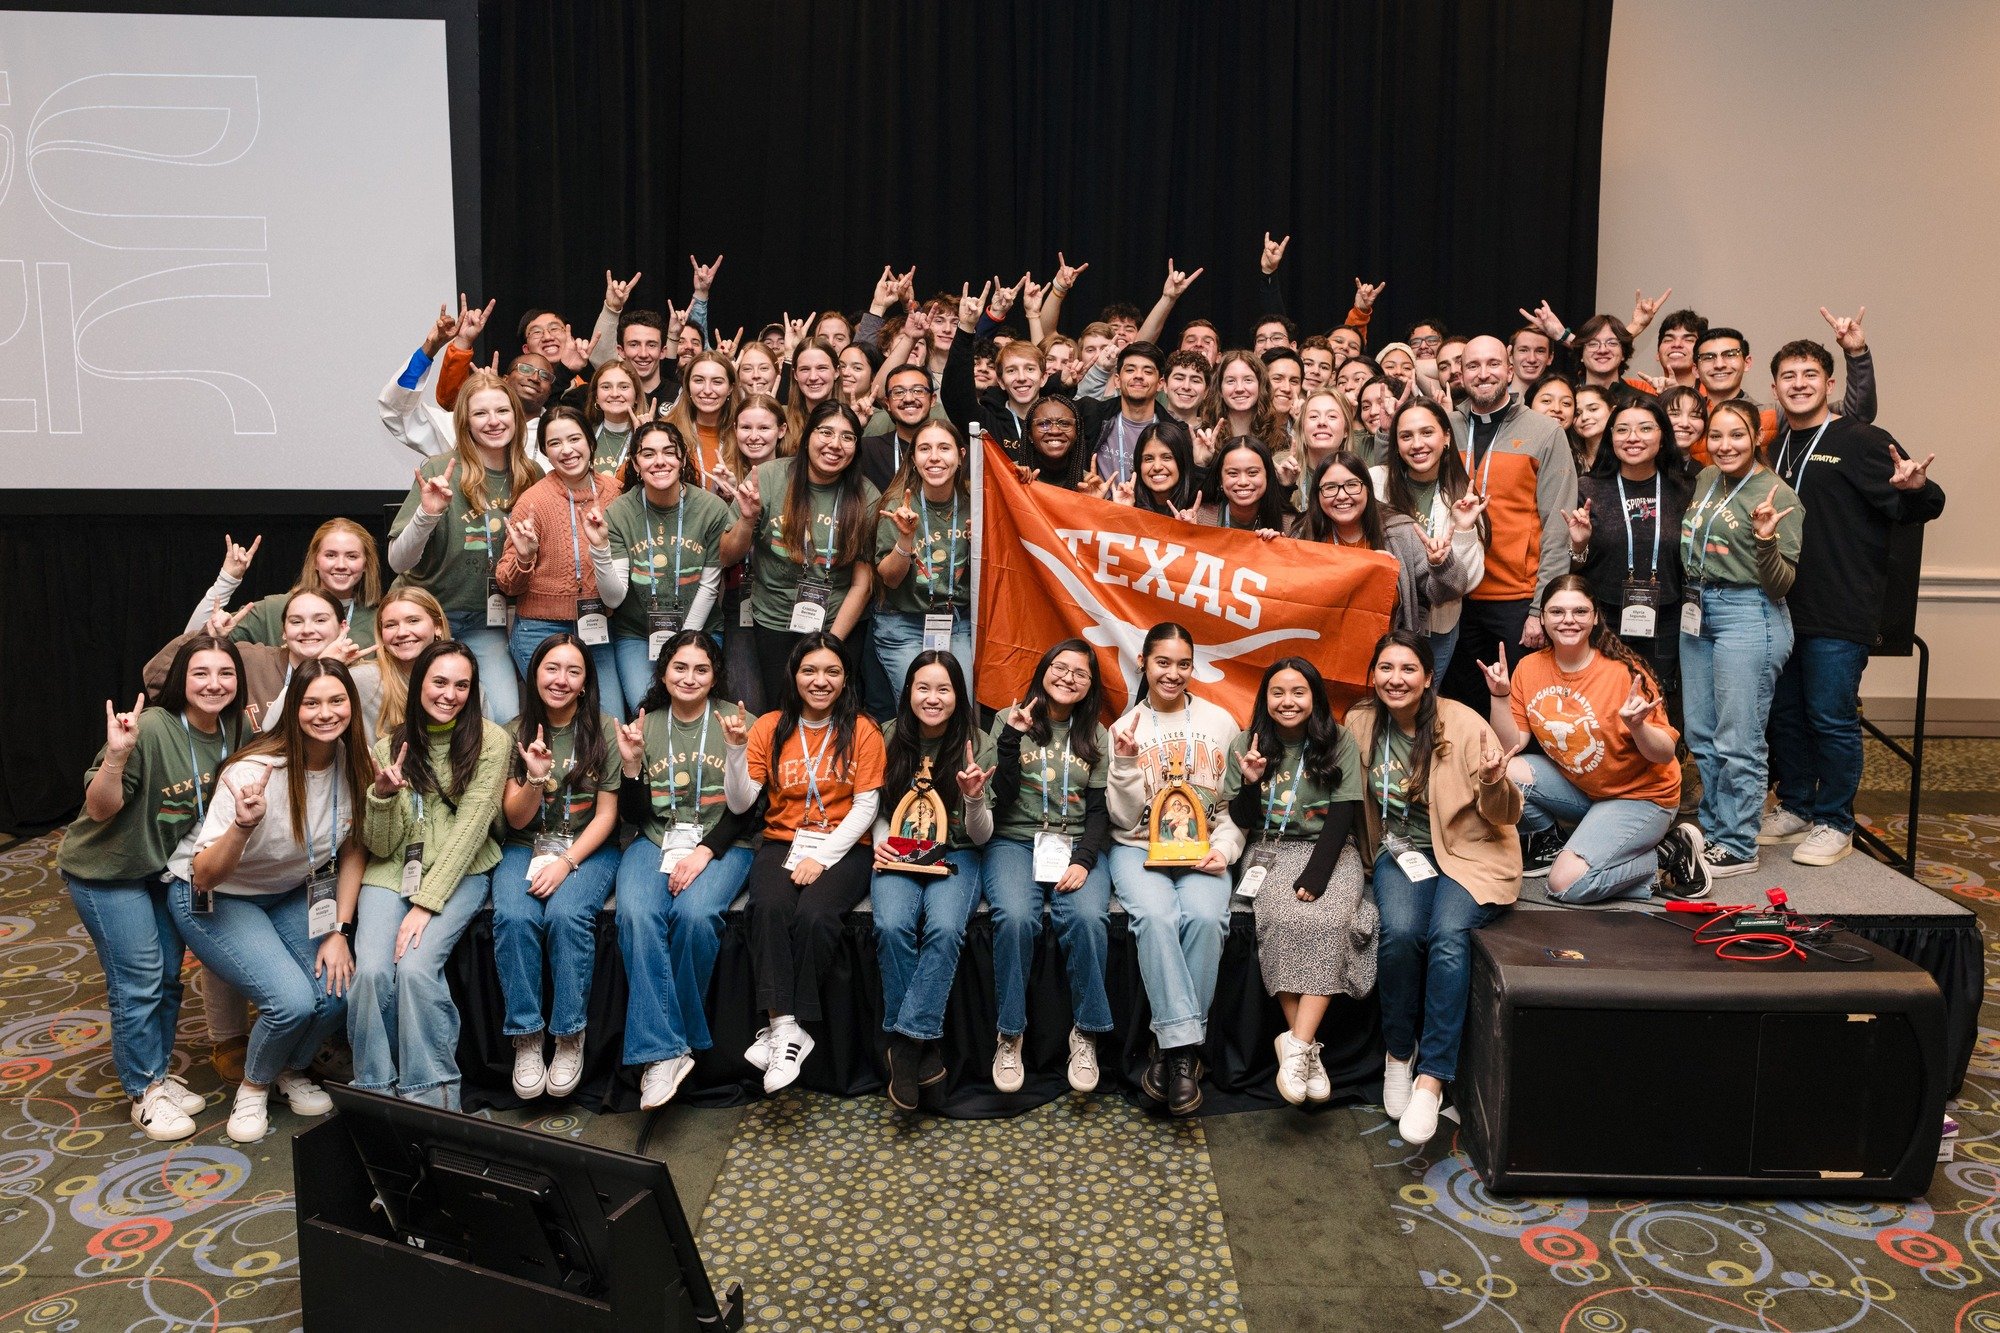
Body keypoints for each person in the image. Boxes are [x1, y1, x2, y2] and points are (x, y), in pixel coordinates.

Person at [59, 635, 251, 1140]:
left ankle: (158, 1074)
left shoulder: (236, 729)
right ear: (182, 679)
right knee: (139, 978)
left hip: (163, 871)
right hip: (106, 871)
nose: (214, 684)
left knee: (167, 977)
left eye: (226, 673)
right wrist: (116, 757)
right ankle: (144, 1091)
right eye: (201, 673)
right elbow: (99, 808)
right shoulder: (151, 727)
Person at [167, 657, 366, 1141]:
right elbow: (204, 874)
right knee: (291, 1002)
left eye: (337, 701)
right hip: (215, 895)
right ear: (293, 709)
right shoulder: (254, 771)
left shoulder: (353, 760)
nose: (326, 713)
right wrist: (243, 825)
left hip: (287, 891)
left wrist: (339, 931)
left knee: (338, 992)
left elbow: (354, 850)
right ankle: (254, 1086)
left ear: (352, 706)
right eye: (311, 703)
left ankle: (286, 1069)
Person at [1762, 339, 1943, 866]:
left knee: (1831, 717)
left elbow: (1926, 503)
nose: (1799, 383)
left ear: (1830, 383)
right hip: (1783, 607)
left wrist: (1915, 488)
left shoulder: (1861, 439)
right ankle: (1797, 805)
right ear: (1774, 387)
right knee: (1786, 716)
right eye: (1789, 376)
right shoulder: (1777, 446)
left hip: (1840, 608)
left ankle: (1836, 821)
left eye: (1809, 374)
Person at [1345, 631, 1520, 1147]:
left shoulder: (1463, 724)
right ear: (1373, 675)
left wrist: (1493, 781)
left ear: (1427, 678)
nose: (1395, 679)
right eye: (1386, 668)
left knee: (1447, 937)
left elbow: (1506, 815)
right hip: (1401, 852)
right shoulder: (1361, 723)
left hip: (1470, 852)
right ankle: (1399, 1053)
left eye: (1408, 669)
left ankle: (1433, 1077)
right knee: (1399, 933)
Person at [724, 634, 886, 1094]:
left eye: (832, 671)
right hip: (782, 840)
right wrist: (735, 751)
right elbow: (741, 803)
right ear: (793, 676)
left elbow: (866, 807)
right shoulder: (769, 726)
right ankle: (787, 1030)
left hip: (844, 846)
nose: (820, 680)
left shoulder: (863, 729)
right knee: (768, 908)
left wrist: (822, 856)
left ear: (846, 679)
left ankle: (782, 1030)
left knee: (815, 915)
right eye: (809, 670)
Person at [1479, 576, 1708, 901]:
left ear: (1596, 616)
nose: (1568, 620)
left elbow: (1664, 753)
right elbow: (1508, 748)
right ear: (1542, 618)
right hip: (1588, 789)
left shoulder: (1624, 673)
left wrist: (1639, 727)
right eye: (1557, 612)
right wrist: (1500, 696)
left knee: (1565, 884)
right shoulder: (1529, 668)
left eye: (1579, 611)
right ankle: (1549, 843)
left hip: (1642, 797)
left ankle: (1666, 856)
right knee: (1505, 772)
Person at [353, 641, 509, 1108]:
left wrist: (425, 904)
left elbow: (472, 829)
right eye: (439, 682)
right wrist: (382, 797)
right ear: (419, 682)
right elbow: (381, 846)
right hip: (391, 871)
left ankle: (432, 1097)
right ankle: (375, 1093)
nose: (449, 694)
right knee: (371, 974)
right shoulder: (388, 745)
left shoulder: (491, 741)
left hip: (461, 869)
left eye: (462, 685)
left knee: (416, 970)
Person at [612, 632, 758, 1108]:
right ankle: (668, 1051)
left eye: (701, 669)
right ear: (663, 672)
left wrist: (705, 852)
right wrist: (632, 766)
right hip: (655, 839)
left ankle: (668, 1048)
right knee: (637, 915)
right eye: (680, 667)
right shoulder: (644, 724)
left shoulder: (741, 722)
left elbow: (750, 812)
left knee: (695, 917)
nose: (689, 678)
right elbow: (634, 816)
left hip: (724, 842)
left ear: (715, 677)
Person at [1105, 623, 1244, 1117]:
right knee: (1157, 918)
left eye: (1183, 663)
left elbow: (1233, 809)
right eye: (1163, 662)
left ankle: (1168, 1053)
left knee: (1207, 919)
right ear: (1142, 662)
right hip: (1137, 848)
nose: (1173, 673)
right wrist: (1125, 763)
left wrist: (1226, 850)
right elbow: (1121, 819)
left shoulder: (1221, 722)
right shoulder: (1123, 728)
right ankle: (1185, 1052)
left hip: (1202, 849)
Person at [1225, 659, 1370, 1107]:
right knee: (1284, 919)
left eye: (1298, 692)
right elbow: (1241, 818)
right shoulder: (1246, 742)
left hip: (1330, 851)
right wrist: (1250, 783)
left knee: (1331, 921)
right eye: (1278, 693)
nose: (1287, 702)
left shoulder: (1339, 740)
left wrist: (1318, 873)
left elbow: (1344, 811)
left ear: (1315, 698)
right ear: (1265, 699)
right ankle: (1304, 1049)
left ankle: (1297, 1043)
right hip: (1268, 850)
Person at [1678, 399, 1803, 877]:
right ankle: (1714, 830)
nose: (1725, 445)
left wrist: (1766, 540)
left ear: (1757, 438)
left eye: (1736, 435)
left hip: (1750, 614)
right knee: (1701, 734)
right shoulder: (1708, 479)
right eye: (1716, 435)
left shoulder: (1778, 495)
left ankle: (1739, 842)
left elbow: (1781, 584)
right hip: (1700, 611)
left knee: (1738, 739)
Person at [493, 635, 621, 1102]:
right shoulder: (513, 732)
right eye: (551, 668)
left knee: (567, 916)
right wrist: (534, 777)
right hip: (525, 845)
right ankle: (527, 1035)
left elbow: (606, 816)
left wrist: (566, 863)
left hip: (588, 847)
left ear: (586, 683)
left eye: (573, 671)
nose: (560, 680)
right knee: (514, 916)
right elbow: (515, 819)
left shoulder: (605, 730)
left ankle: (569, 1034)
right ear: (534, 675)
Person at [982, 640, 1114, 1095]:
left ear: (1091, 685)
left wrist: (1084, 860)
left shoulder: (1096, 734)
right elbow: (998, 800)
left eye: (1080, 673)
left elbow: (1098, 811)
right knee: (1016, 918)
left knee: (1088, 917)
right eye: (1060, 667)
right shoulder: (1008, 717)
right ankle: (1010, 1034)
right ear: (1043, 670)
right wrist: (1010, 738)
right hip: (1013, 841)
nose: (1067, 678)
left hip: (1074, 843)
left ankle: (1086, 1033)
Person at [871, 652, 995, 1109]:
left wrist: (974, 798)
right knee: (891, 925)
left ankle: (905, 1045)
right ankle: (922, 1047)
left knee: (944, 928)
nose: (933, 698)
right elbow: (874, 807)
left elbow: (982, 836)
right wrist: (881, 840)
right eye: (923, 688)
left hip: (959, 853)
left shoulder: (978, 743)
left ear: (959, 696)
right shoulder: (887, 736)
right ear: (908, 692)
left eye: (944, 689)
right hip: (898, 851)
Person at [386, 369, 542, 724]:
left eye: (502, 411)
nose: (493, 421)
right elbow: (397, 561)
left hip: (486, 621)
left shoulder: (532, 475)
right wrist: (427, 514)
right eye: (480, 413)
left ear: (516, 416)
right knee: (419, 716)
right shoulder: (441, 470)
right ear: (465, 422)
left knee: (506, 718)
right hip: (427, 616)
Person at [1445, 336, 1578, 711]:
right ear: (1461, 374)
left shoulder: (1545, 432)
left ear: (1509, 369)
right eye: (1473, 366)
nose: (1483, 373)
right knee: (1464, 710)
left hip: (1516, 603)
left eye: (1492, 364)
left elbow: (1558, 527)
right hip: (1454, 599)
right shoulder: (1445, 427)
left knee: (1522, 711)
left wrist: (1541, 609)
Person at [719, 402, 879, 707]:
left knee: (831, 712)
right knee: (783, 710)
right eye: (826, 432)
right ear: (807, 437)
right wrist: (747, 520)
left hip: (838, 623)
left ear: (856, 447)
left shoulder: (866, 496)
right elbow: (727, 556)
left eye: (847, 437)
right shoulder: (768, 477)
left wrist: (830, 645)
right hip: (775, 621)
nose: (835, 444)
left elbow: (862, 584)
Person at [495, 405, 627, 716]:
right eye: (555, 443)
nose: (566, 450)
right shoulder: (533, 500)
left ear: (590, 442)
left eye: (574, 439)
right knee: (558, 721)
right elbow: (507, 584)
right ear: (545, 451)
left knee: (610, 721)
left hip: (598, 625)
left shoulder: (617, 493)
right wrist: (524, 557)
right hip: (541, 629)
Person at [596, 420, 731, 714]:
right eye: (648, 454)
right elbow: (613, 598)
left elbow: (709, 587)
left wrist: (681, 649)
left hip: (700, 628)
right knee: (647, 711)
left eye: (669, 452)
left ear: (682, 458)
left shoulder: (711, 509)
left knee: (691, 708)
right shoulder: (619, 512)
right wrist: (599, 549)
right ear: (635, 464)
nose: (660, 461)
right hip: (637, 633)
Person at [1565, 398, 1690, 708]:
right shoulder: (1587, 489)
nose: (1633, 438)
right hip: (1603, 617)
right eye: (1622, 430)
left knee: (1656, 704)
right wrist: (1579, 544)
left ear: (1663, 436)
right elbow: (1571, 566)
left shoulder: (1684, 490)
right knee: (1602, 703)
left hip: (1666, 617)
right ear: (1611, 438)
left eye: (1645, 428)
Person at [1308, 449, 1481, 644]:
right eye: (1330, 487)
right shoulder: (1303, 536)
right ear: (1317, 494)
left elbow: (1443, 594)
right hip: (1322, 649)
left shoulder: (1399, 532)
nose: (1342, 495)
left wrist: (1441, 564)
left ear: (1367, 489)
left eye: (1352, 485)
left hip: (1386, 655)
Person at [1372, 400, 1489, 681]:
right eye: (1406, 436)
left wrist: (1463, 530)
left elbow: (1466, 582)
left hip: (1436, 627)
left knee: (1421, 700)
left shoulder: (1462, 498)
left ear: (1446, 437)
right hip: (1379, 619)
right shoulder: (1375, 482)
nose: (1417, 444)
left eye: (1427, 432)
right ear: (1396, 443)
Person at [874, 420, 973, 690]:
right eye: (925, 449)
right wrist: (905, 538)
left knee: (958, 701)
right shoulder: (897, 506)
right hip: (903, 623)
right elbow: (890, 580)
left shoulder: (976, 505)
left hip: (956, 622)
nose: (934, 457)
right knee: (918, 702)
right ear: (914, 459)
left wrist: (981, 546)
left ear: (961, 456)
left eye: (944, 448)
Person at [185, 517, 384, 651]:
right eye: (330, 555)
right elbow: (189, 643)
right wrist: (227, 580)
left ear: (366, 564)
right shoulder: (273, 610)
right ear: (315, 561)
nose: (341, 565)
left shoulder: (378, 620)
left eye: (352, 556)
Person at [1079, 341, 1165, 484]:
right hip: (1095, 497)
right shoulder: (1094, 416)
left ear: (1160, 384)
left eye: (1148, 371)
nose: (1138, 376)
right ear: (1117, 380)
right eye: (1130, 370)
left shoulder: (1173, 429)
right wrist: (1062, 383)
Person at [858, 363, 939, 492]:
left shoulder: (949, 450)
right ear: (888, 403)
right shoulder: (869, 450)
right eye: (899, 392)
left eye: (918, 391)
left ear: (932, 400)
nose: (908, 399)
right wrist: (854, 425)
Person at [663, 349, 738, 481]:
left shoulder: (743, 433)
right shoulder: (665, 431)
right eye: (699, 380)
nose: (707, 390)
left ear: (730, 388)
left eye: (717, 382)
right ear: (687, 385)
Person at [1197, 436, 1293, 536]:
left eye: (1252, 473)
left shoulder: (1289, 526)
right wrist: (1190, 532)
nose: (1243, 482)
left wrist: (1280, 544)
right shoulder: (1200, 519)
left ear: (1267, 476)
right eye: (1233, 473)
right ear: (1220, 479)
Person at [1113, 419, 1201, 516]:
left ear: (1182, 461)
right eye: (1149, 459)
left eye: (1167, 457)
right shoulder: (1124, 501)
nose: (1157, 467)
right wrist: (1122, 512)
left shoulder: (1201, 509)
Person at [582, 359, 645, 474]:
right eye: (606, 387)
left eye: (624, 387)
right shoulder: (584, 436)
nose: (615, 394)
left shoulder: (651, 436)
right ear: (596, 397)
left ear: (636, 396)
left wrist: (645, 437)